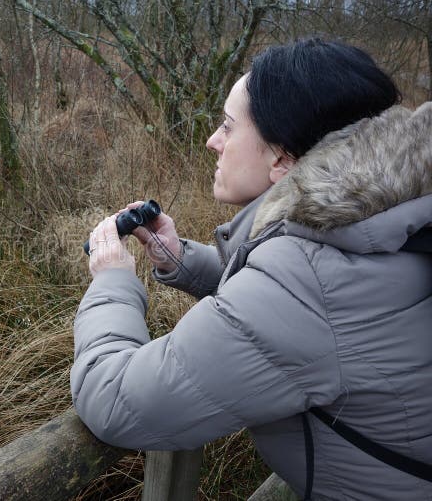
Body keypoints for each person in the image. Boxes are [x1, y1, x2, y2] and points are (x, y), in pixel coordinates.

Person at [73, 38, 432, 499]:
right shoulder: (393, 210)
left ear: (281, 157)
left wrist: (113, 282)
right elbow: (298, 307)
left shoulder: (307, 281)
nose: (212, 142)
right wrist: (183, 261)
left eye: (227, 126)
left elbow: (116, 398)